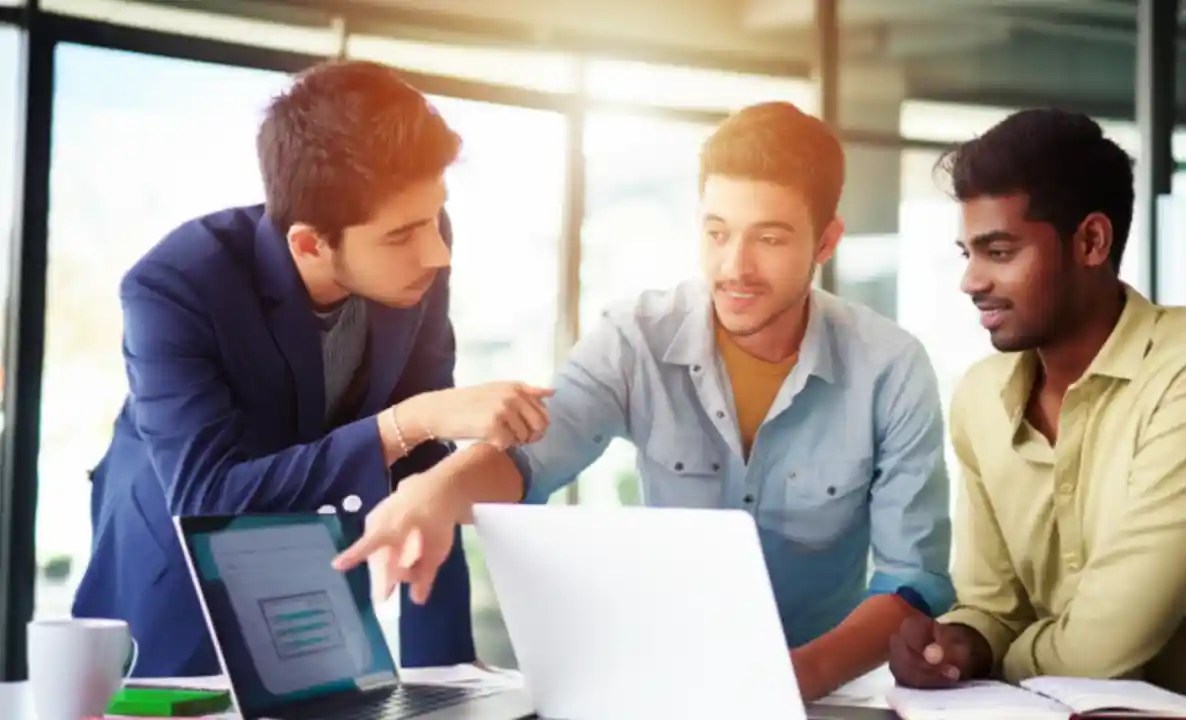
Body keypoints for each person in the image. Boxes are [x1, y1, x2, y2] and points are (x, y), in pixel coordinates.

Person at [334, 101, 955, 700]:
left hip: (826, 696)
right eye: (717, 232)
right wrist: (430, 497)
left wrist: (798, 679)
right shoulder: (637, 339)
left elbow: (912, 578)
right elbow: (527, 459)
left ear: (826, 242)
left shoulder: (890, 368)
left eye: (769, 238)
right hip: (665, 688)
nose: (734, 267)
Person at [73, 60, 552, 677]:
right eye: (403, 233)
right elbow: (206, 496)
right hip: (174, 587)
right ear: (308, 244)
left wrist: (447, 665)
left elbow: (424, 471)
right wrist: (409, 419)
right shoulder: (176, 284)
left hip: (315, 589)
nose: (435, 250)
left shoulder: (416, 250)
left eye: (435, 217)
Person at [887, 108, 1186, 719]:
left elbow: (1103, 648)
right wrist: (956, 644)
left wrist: (997, 655)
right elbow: (992, 605)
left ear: (1092, 241)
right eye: (968, 252)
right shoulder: (980, 398)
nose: (971, 280)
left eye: (999, 250)